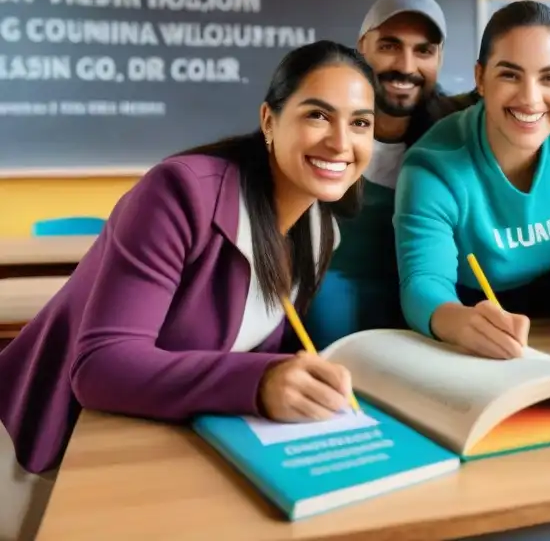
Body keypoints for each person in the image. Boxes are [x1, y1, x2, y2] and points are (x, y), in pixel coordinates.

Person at [0, 41, 375, 541]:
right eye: (318, 115)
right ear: (269, 121)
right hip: (44, 453)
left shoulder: (319, 230)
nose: (339, 142)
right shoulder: (181, 193)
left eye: (360, 123)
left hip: (151, 446)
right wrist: (261, 382)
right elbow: (99, 366)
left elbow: (249, 340)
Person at [394, 0, 550, 359]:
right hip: (470, 312)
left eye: (549, 77)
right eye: (510, 74)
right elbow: (424, 282)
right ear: (480, 78)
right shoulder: (431, 167)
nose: (530, 99)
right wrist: (459, 322)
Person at [306, 0, 470, 347]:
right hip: (330, 295)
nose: (407, 67)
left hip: (427, 299)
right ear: (361, 48)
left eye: (423, 51)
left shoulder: (457, 131)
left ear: (439, 59)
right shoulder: (315, 125)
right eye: (390, 46)